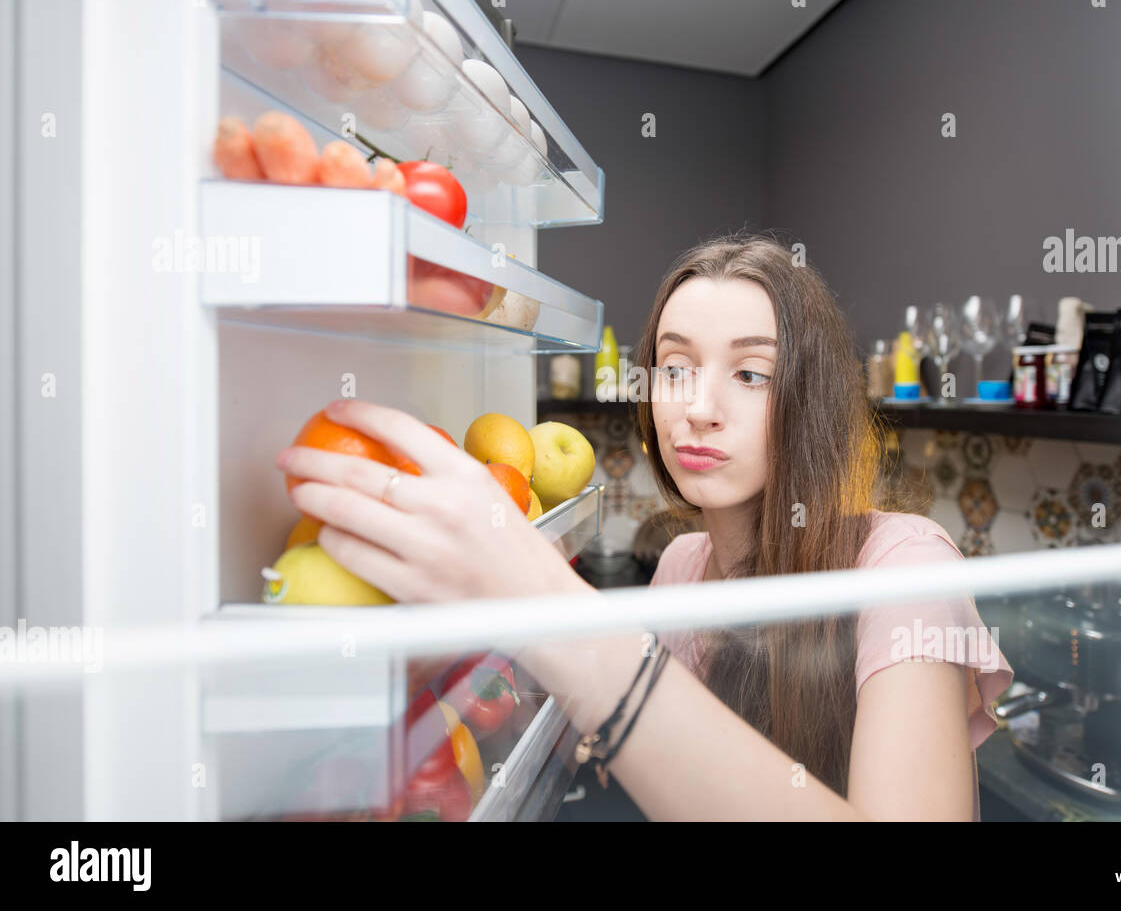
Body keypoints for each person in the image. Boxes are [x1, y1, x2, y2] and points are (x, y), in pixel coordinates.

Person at [275, 230, 1013, 820]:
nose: (697, 405)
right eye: (675, 367)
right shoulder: (682, 567)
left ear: (809, 401)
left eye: (751, 373)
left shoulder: (906, 567)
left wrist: (544, 604)